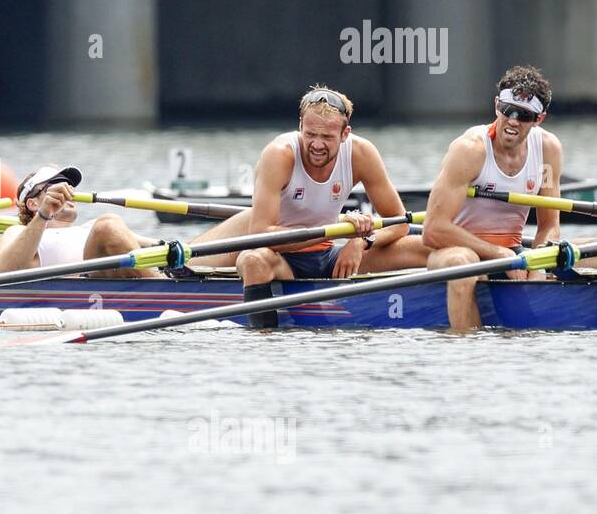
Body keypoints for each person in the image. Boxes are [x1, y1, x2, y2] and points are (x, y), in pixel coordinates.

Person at [234, 86, 429, 327]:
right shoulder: (279, 155)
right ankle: (266, 344)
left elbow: (399, 222)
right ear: (300, 126)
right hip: (281, 260)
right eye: (310, 134)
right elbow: (259, 235)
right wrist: (338, 227)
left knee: (429, 245)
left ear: (345, 134)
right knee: (252, 261)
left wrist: (361, 241)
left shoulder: (361, 153)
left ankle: (473, 298)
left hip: (329, 257)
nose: (316, 145)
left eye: (327, 137)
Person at [422, 65, 564, 330]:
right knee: (464, 263)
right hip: (454, 250)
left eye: (523, 115)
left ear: (539, 119)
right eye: (507, 110)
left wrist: (540, 263)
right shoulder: (470, 150)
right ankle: (467, 350)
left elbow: (549, 225)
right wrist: (498, 253)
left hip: (512, 253)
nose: (512, 120)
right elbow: (433, 229)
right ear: (497, 105)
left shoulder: (547, 150)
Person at [0, 166, 164, 277]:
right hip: (84, 283)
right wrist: (44, 213)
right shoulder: (18, 232)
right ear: (32, 203)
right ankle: (165, 292)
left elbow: (158, 247)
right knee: (107, 224)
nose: (68, 190)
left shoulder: (89, 228)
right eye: (56, 184)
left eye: (69, 185)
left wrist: (176, 249)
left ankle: (169, 282)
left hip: (121, 276)